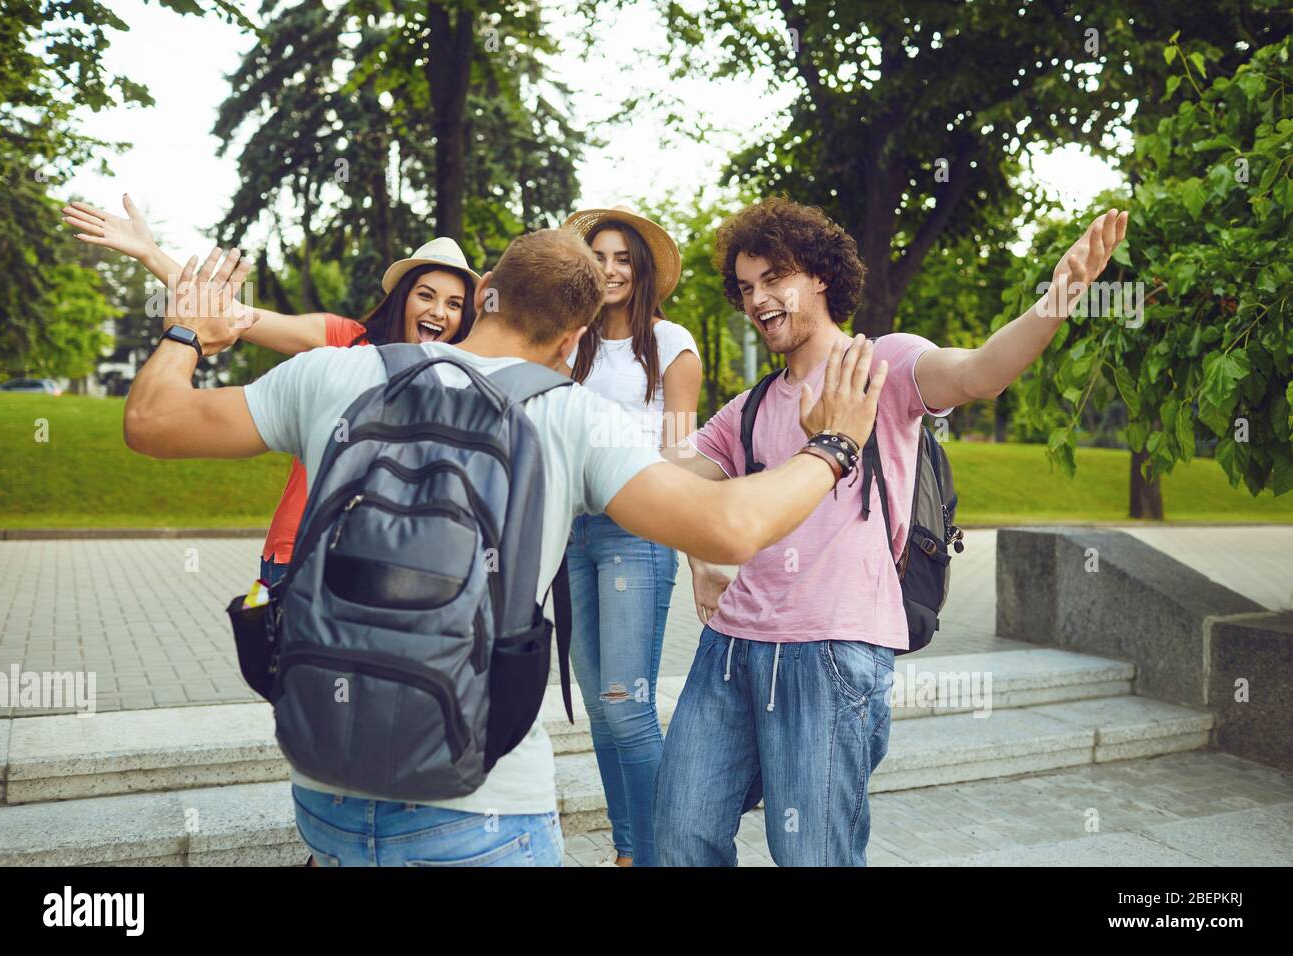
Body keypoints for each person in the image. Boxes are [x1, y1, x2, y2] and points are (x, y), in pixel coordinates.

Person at [121, 227, 889, 866]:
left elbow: (151, 423)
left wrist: (190, 331)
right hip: (482, 810)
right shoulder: (572, 417)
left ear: (483, 292)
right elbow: (730, 526)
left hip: (327, 785)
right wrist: (833, 445)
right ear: (572, 339)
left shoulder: (335, 374)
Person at [654, 197, 1129, 867]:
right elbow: (667, 476)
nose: (757, 297)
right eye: (746, 285)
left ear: (820, 276)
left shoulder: (885, 365)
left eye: (773, 277)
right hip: (729, 649)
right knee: (679, 838)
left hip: (831, 651)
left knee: (813, 854)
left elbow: (981, 373)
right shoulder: (750, 406)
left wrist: (1059, 296)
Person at [63, 196, 479, 586]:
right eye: (426, 295)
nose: (438, 311)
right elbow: (236, 314)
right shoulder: (346, 341)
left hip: (397, 564)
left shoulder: (465, 379)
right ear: (403, 299)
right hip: (297, 552)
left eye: (454, 304)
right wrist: (150, 253)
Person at [558, 206, 700, 867]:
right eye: (599, 257)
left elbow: (684, 455)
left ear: (640, 270)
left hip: (635, 534)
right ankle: (628, 851)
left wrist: (702, 556)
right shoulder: (568, 342)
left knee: (628, 704)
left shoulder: (672, 345)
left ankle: (666, 853)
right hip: (572, 534)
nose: (610, 269)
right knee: (601, 706)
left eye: (622, 258)